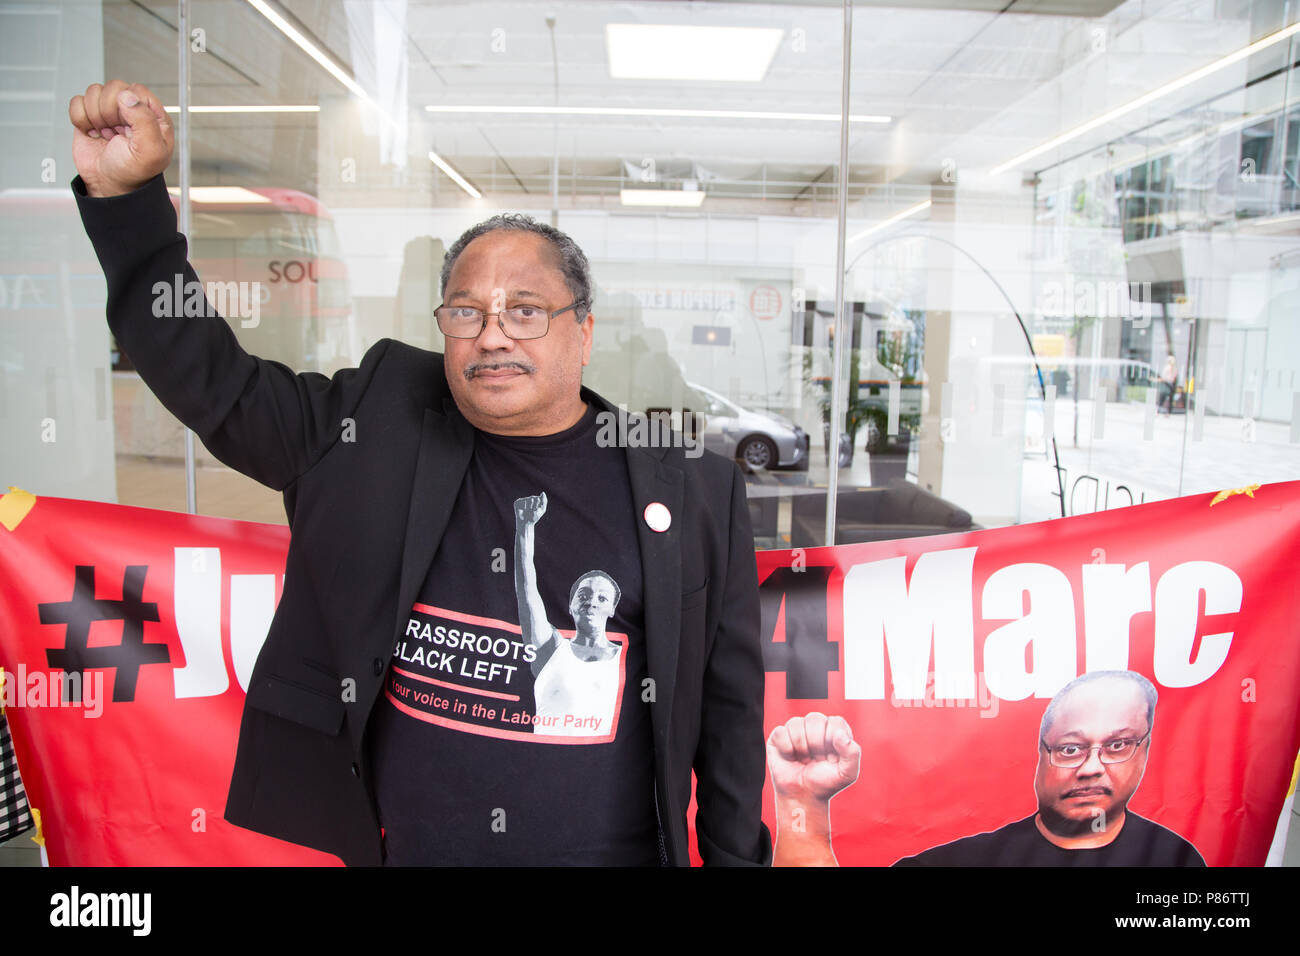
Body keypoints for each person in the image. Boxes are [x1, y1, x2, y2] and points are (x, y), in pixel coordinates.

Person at [67, 80, 771, 866]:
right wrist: (127, 201)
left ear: (584, 332)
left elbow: (730, 715)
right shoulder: (376, 421)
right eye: (466, 312)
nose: (493, 335)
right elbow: (214, 383)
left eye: (526, 310)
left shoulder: (692, 488)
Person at [893, 670, 1205, 866]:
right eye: (1071, 749)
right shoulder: (962, 861)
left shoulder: (1175, 857)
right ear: (1041, 755)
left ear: (1144, 750)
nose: (1091, 768)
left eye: (1117, 745)